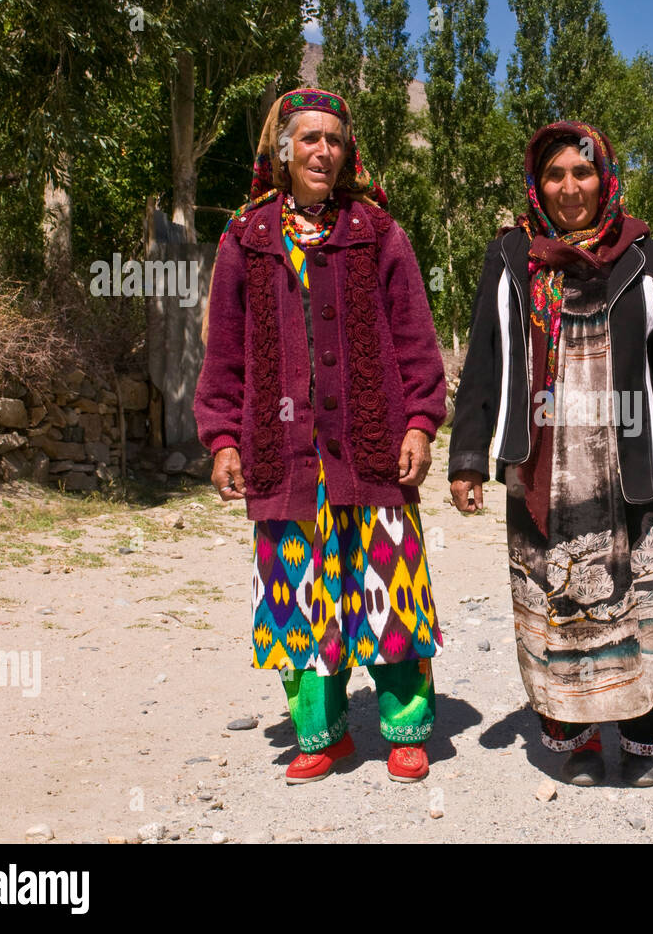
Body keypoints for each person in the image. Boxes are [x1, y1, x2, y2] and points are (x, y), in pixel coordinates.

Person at [448, 121, 653, 787]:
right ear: (538, 185)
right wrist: (467, 456)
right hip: (543, 458)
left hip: (626, 458)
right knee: (556, 596)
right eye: (556, 175)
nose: (570, 188)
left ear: (606, 180)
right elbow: (483, 358)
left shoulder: (644, 257)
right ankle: (578, 738)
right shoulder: (511, 256)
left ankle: (645, 738)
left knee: (637, 593)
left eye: (584, 173)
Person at [194, 88, 446, 785]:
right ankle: (322, 733)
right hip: (285, 459)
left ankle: (405, 726)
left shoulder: (377, 232)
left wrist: (421, 422)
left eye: (334, 140)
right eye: (308, 139)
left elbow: (416, 340)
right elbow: (225, 355)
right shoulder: (247, 239)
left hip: (372, 451)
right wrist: (221, 438)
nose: (323, 152)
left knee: (389, 590)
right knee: (298, 598)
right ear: (282, 149)